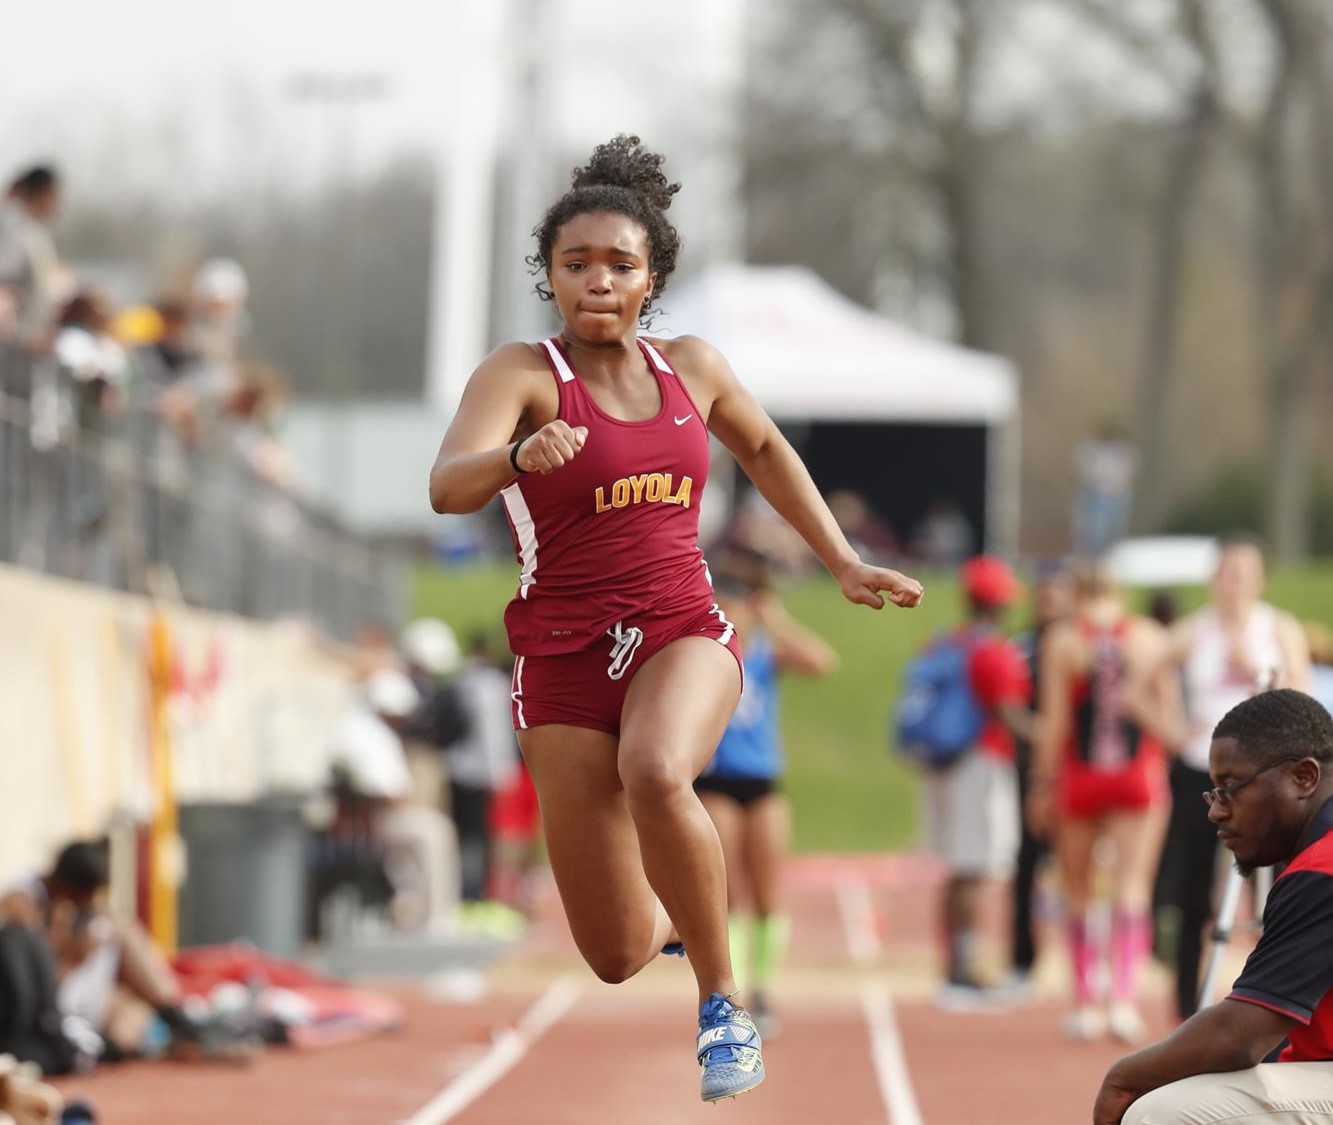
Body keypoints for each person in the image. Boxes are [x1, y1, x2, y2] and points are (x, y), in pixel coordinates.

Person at [428, 134, 923, 1102]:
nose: (598, 283)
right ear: (550, 277)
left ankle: (723, 1005)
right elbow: (448, 485)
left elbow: (769, 451)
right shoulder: (521, 375)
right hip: (562, 661)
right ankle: (679, 911)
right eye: (576, 265)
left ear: (653, 276)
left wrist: (841, 560)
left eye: (620, 265)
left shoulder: (691, 366)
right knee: (613, 952)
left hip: (678, 630)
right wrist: (516, 459)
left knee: (655, 769)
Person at [1094, 689, 1333, 1125]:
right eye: (1214, 792)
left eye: (1230, 789)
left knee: (1161, 1112)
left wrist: (1122, 1079)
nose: (1216, 812)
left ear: (1304, 777)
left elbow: (1240, 1035)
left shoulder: (1323, 868)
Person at [1152, 533, 1311, 1021]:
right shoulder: (1191, 631)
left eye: (1243, 572)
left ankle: (1280, 1002)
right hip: (1203, 772)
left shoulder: (1278, 629)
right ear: (1214, 578)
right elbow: (1142, 684)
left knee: (1286, 892)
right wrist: (1172, 728)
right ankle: (1187, 1007)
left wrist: (1253, 668)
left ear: (1259, 578)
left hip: (1267, 782)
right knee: (1192, 888)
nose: (1234, 582)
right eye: (1227, 572)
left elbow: (1304, 701)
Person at [1029, 565, 1178, 1042]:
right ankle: (1124, 1001)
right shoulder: (1150, 637)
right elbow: (1169, 716)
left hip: (1081, 775)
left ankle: (1085, 1002)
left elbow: (1054, 724)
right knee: (1132, 887)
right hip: (1138, 775)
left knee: (1077, 888)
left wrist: (1040, 784)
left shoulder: (1063, 640)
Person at [693, 549, 837, 1038]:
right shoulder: (709, 648)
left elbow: (822, 661)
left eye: (738, 597)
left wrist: (775, 619)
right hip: (717, 780)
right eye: (723, 596)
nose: (729, 606)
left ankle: (765, 989)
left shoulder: (765, 654)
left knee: (770, 894)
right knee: (729, 892)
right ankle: (729, 996)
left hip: (762, 781)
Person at [911, 556, 1032, 1006]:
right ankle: (969, 967)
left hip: (943, 761)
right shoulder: (993, 651)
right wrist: (1050, 737)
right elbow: (1009, 713)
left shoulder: (944, 643)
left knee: (956, 868)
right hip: (980, 761)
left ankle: (953, 963)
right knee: (978, 869)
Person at [1006, 559, 1076, 995]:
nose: (1050, 602)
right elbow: (1007, 704)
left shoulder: (1083, 645)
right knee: (1026, 866)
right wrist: (1042, 734)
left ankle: (1082, 962)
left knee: (1079, 870)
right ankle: (1022, 958)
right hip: (1029, 770)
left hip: (1075, 773)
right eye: (1044, 594)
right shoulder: (1021, 649)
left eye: (1058, 594)